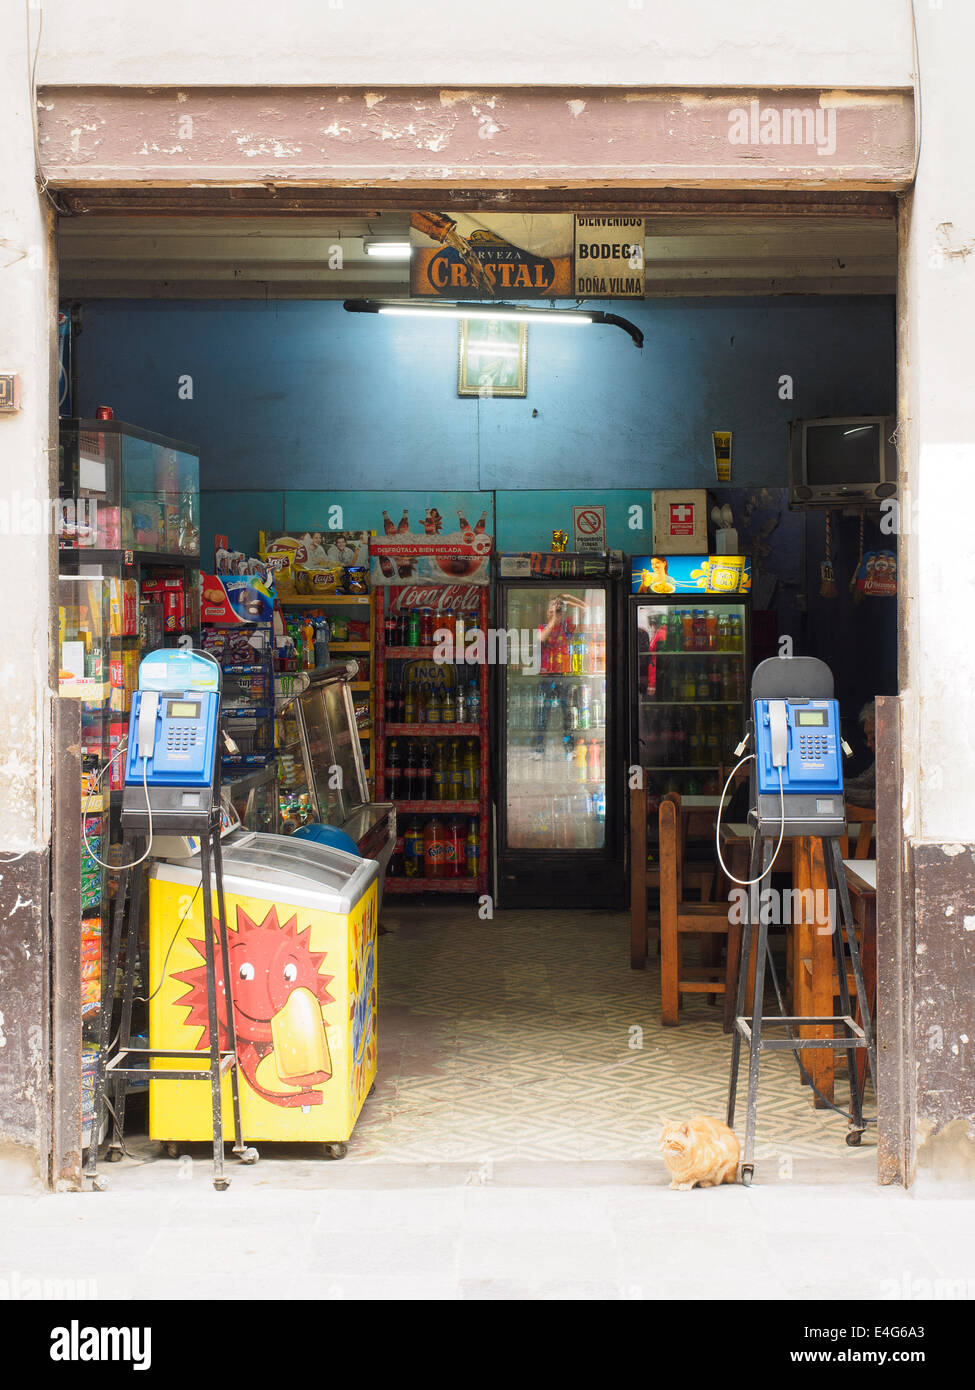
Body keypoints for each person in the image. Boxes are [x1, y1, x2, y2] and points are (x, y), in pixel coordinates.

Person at [845, 701, 876, 808]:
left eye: (874, 738)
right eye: (868, 738)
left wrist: (838, 792)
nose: (868, 744)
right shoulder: (880, 762)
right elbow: (863, 782)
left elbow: (878, 797)